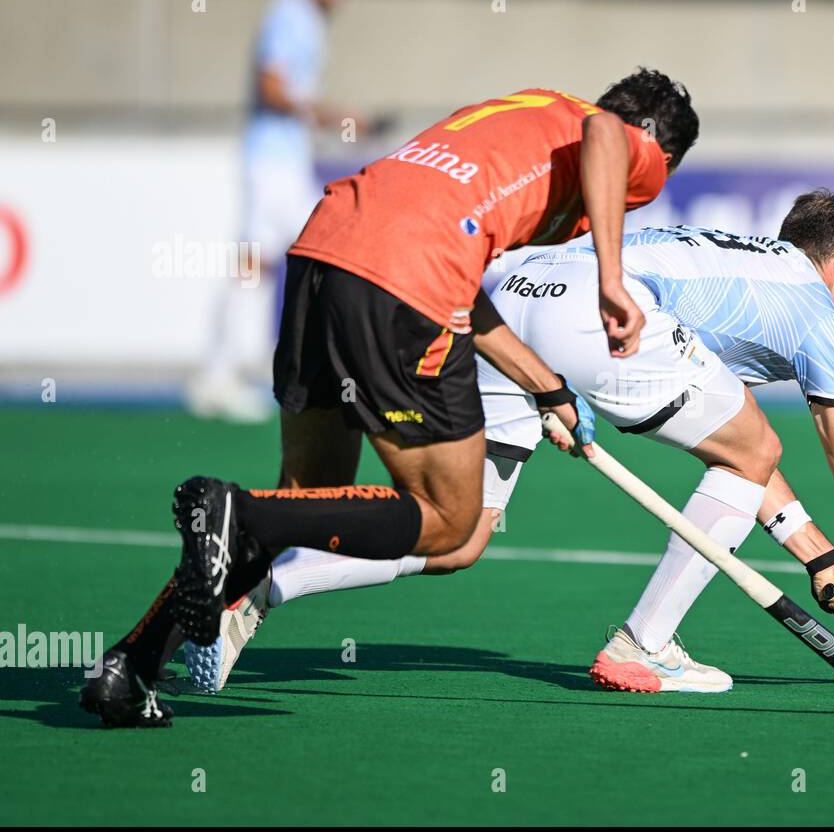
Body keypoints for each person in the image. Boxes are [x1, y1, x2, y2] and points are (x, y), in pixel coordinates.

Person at [80, 69, 700, 727]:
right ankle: (234, 511)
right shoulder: (612, 133)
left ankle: (129, 667)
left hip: (326, 250)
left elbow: (450, 270)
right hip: (404, 283)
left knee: (301, 504)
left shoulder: (528, 114)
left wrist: (543, 383)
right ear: (657, 150)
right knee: (450, 519)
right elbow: (606, 134)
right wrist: (612, 279)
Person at [187, 190, 834, 697]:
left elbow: (737, 452)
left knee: (458, 530)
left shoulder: (741, 269)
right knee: (752, 447)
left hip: (512, 294)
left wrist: (819, 559)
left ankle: (257, 590)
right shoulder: (813, 315)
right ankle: (645, 643)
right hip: (597, 315)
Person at [189, 0, 371, 423]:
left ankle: (234, 370)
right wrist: (328, 114)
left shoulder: (301, 16)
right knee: (300, 256)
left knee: (275, 261)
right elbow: (271, 87)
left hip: (281, 161)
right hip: (272, 163)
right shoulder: (292, 13)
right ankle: (223, 374)